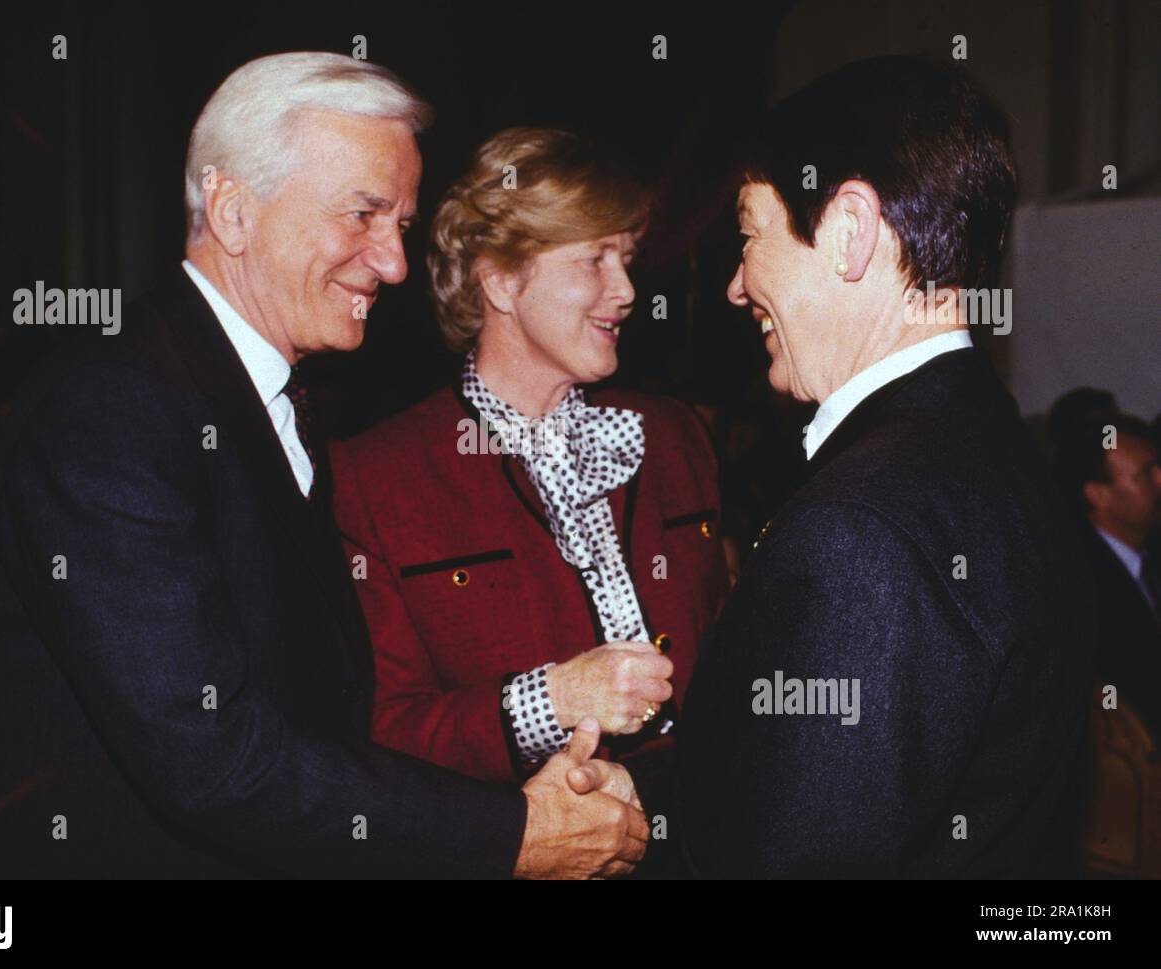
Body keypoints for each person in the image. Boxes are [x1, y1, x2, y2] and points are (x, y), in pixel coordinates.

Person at [0, 52, 645, 879]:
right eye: (362, 214)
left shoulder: (270, 396)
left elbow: (333, 720)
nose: (393, 263)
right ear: (232, 209)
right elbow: (212, 758)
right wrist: (511, 833)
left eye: (400, 223)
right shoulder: (106, 409)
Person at [669, 56, 1094, 877]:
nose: (734, 284)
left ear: (849, 231)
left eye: (751, 233)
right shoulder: (995, 446)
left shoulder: (860, 533)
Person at [332, 127, 728, 785]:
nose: (626, 289)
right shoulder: (379, 479)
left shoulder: (674, 435)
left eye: (626, 258)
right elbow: (380, 735)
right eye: (594, 260)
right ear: (501, 281)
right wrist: (553, 701)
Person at [1056, 414, 1161, 736]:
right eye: (1146, 474)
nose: (1160, 480)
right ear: (1099, 495)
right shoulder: (1078, 587)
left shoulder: (1150, 552)